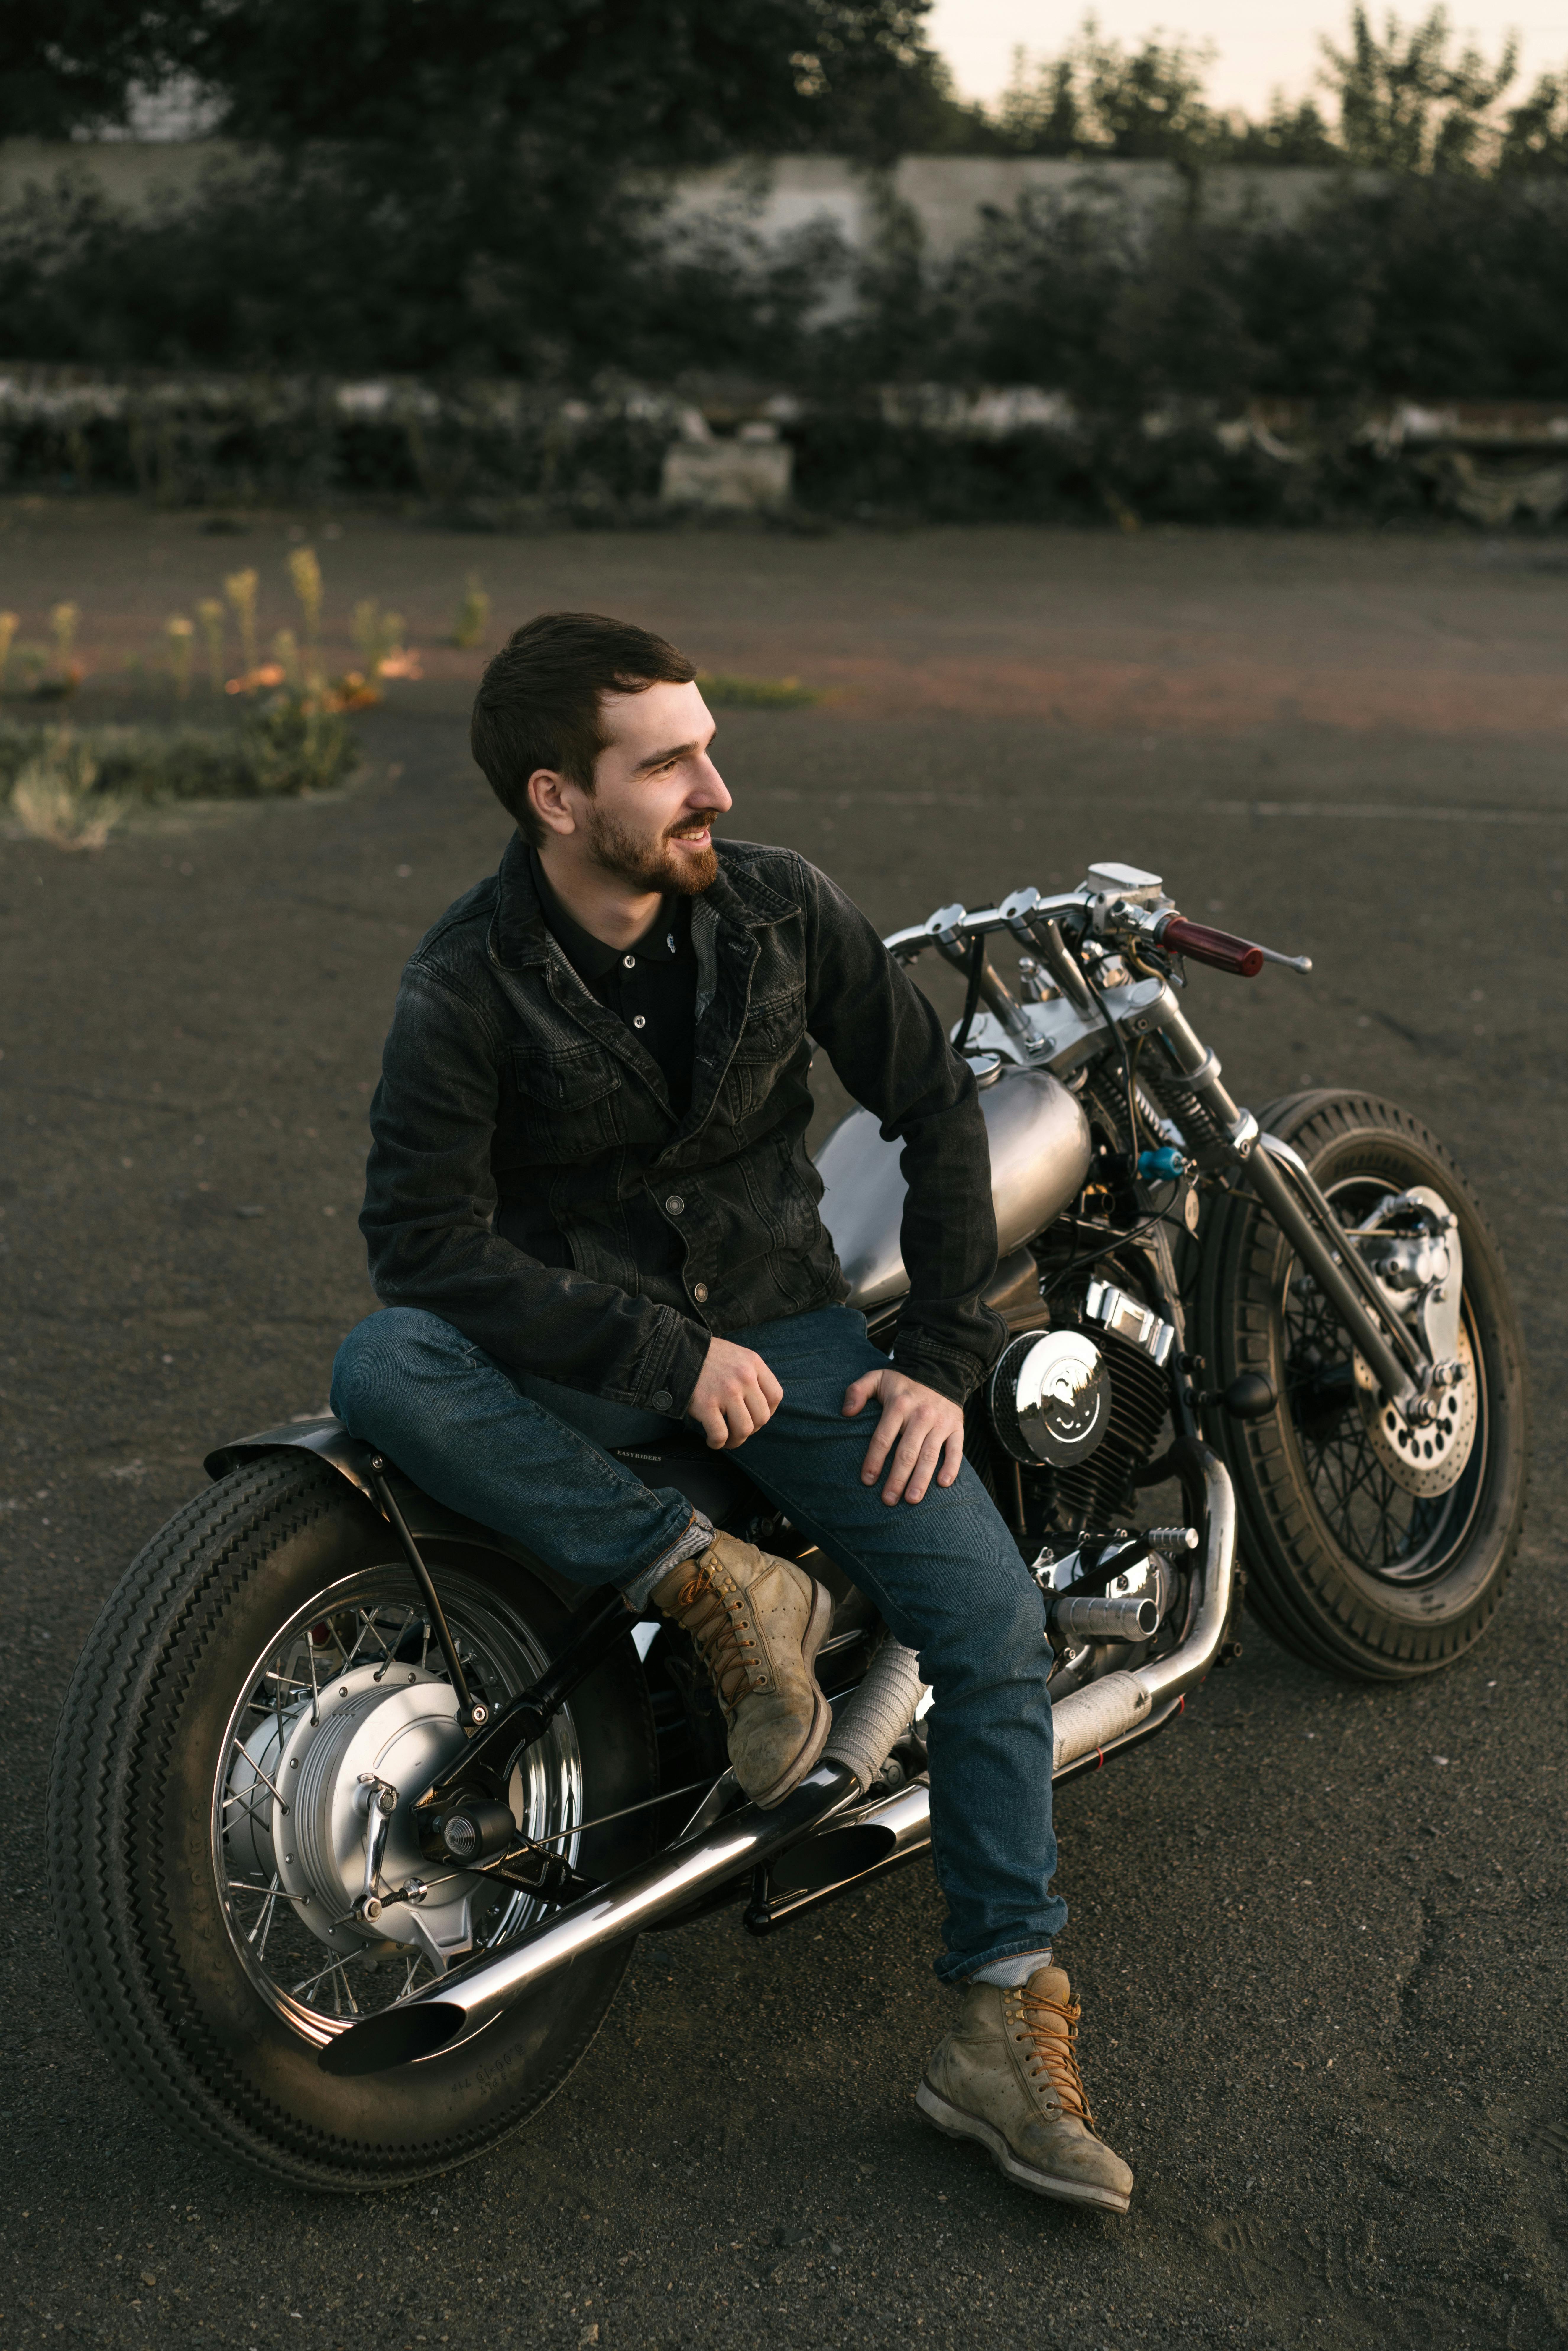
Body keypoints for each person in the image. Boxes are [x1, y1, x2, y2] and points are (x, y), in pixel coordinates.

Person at [331, 610, 1132, 2214]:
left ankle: (993, 2028)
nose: (715, 782)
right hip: (599, 1345)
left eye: (708, 745)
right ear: (559, 800)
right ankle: (710, 1581)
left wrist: (943, 1357)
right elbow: (420, 1243)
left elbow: (930, 1104)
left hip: (806, 1334)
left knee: (985, 1633)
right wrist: (653, 1353)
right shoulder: (466, 979)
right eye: (669, 762)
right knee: (381, 1358)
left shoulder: (778, 903)